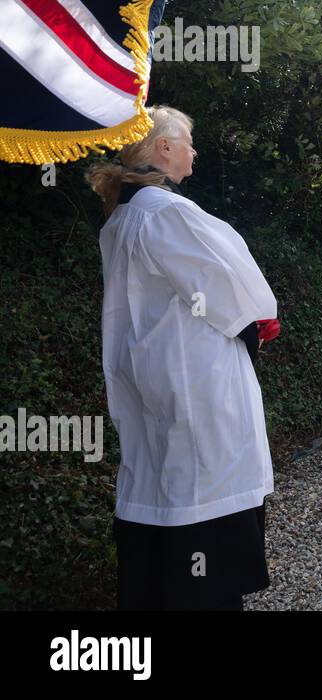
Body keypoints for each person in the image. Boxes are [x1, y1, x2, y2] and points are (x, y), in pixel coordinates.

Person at [87, 105, 280, 610]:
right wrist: (257, 324)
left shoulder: (124, 215)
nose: (194, 151)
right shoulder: (166, 211)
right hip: (196, 376)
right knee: (203, 487)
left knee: (160, 481)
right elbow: (233, 290)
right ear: (163, 147)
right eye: (187, 141)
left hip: (153, 374)